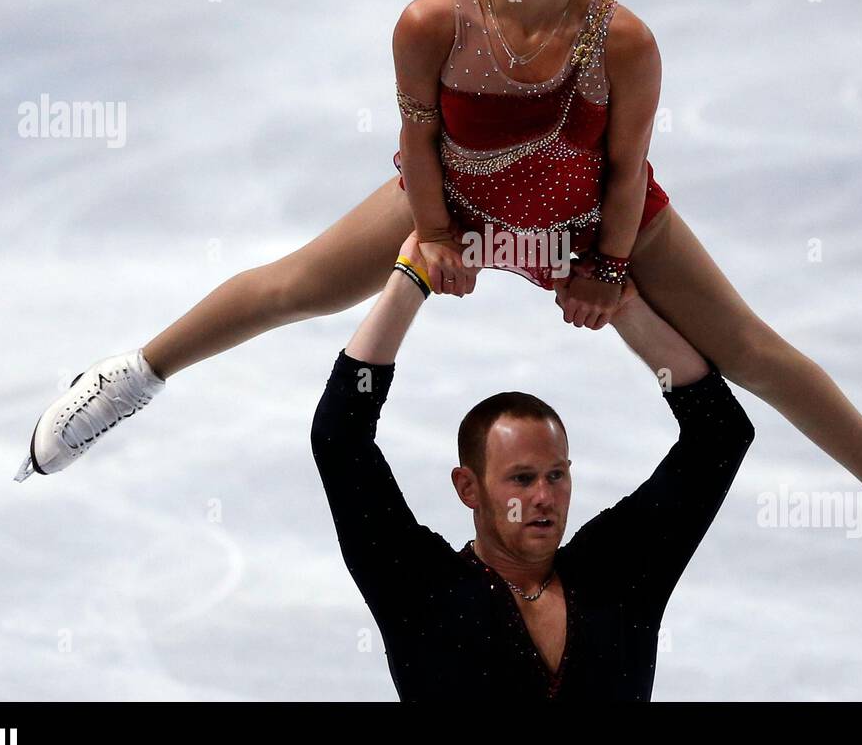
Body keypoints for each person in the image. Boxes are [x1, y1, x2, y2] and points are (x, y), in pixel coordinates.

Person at [13, 0, 862, 616]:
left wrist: (608, 269)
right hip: (458, 195)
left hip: (591, 213)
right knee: (292, 288)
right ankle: (129, 379)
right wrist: (439, 237)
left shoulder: (623, 38)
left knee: (747, 346)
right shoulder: (430, 23)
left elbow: (625, 169)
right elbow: (414, 134)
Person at [311, 231, 753, 700]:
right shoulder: (422, 589)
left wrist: (624, 309)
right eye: (522, 479)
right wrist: (410, 280)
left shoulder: (615, 575)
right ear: (468, 488)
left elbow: (720, 436)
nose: (544, 497)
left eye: (556, 475)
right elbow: (339, 438)